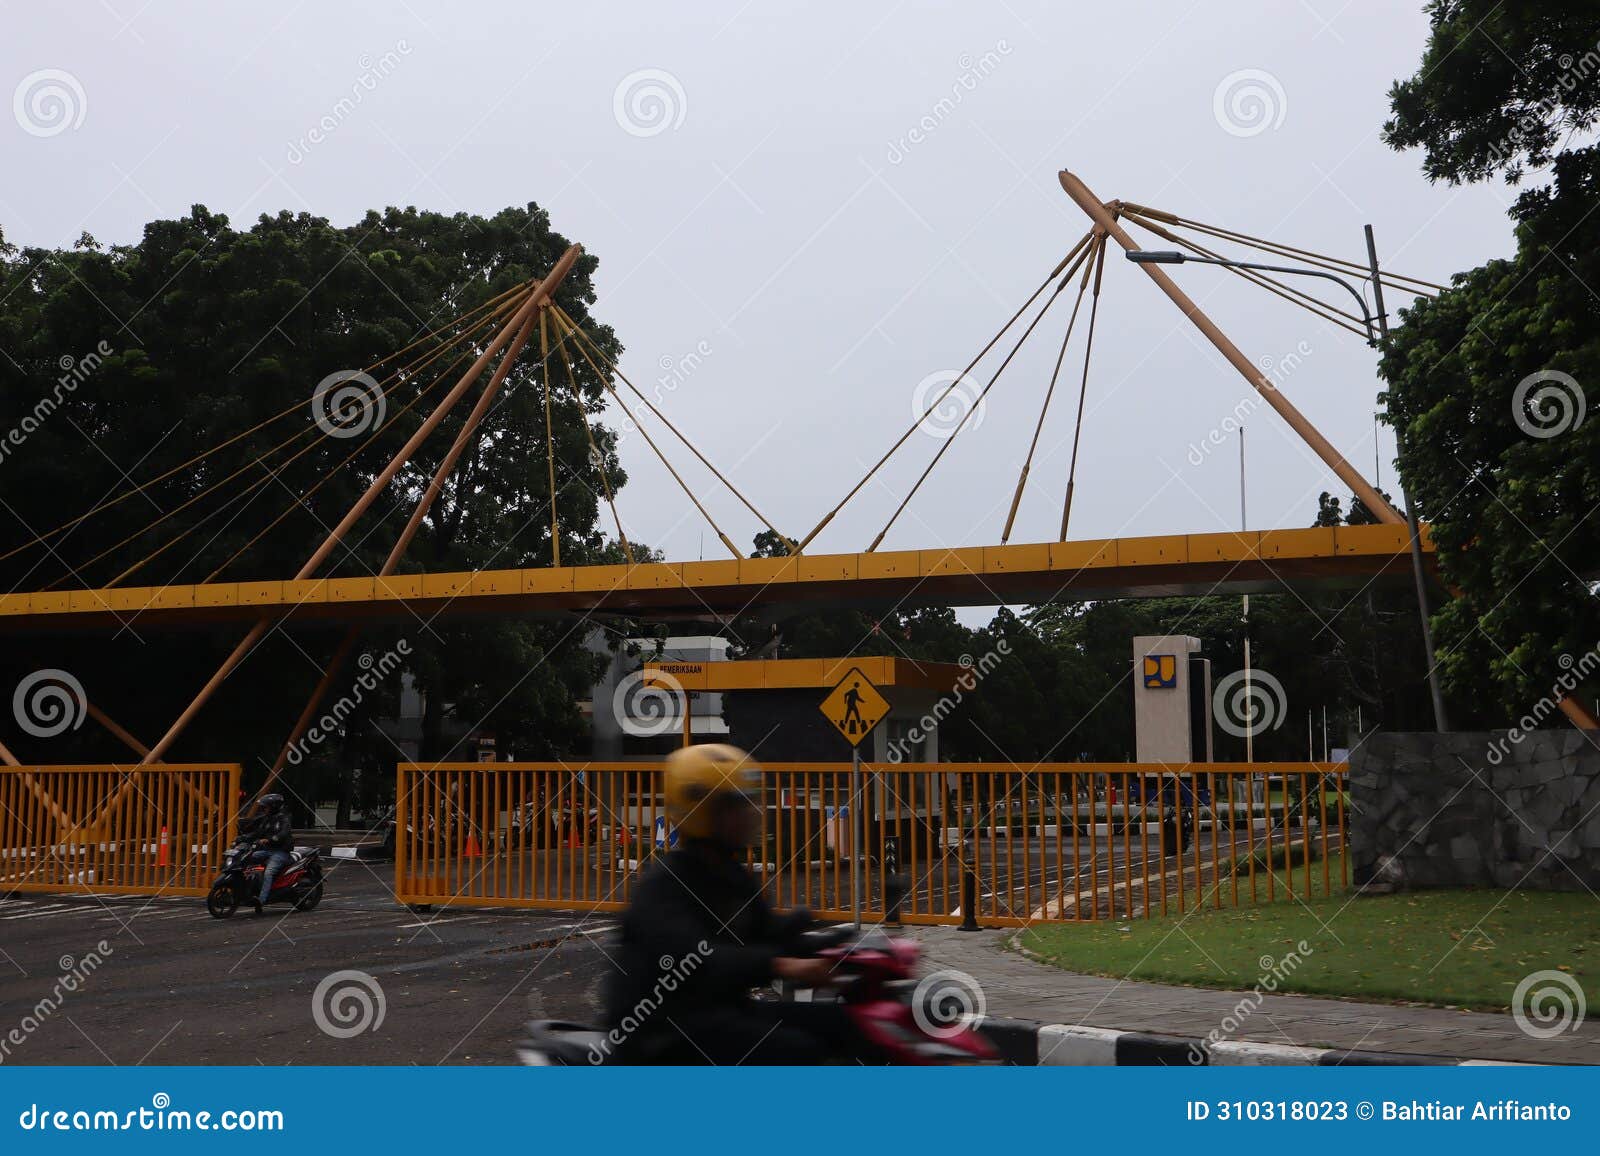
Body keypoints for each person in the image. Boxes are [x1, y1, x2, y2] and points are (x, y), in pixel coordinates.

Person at [601, 744, 873, 1064]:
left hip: (718, 1011)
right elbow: (699, 961)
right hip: (662, 1033)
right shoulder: (665, 886)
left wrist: (838, 947)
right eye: (735, 805)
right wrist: (781, 965)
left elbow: (767, 933)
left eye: (750, 802)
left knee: (843, 1023)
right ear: (702, 812)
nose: (750, 814)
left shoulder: (730, 874)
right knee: (799, 1050)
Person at [247, 793, 294, 916]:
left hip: (281, 852)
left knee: (269, 872)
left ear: (273, 806)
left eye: (266, 807)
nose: (264, 809)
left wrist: (271, 839)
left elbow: (283, 833)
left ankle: (261, 900)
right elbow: (257, 832)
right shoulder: (267, 818)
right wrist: (242, 838)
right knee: (246, 859)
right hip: (267, 850)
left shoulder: (284, 818)